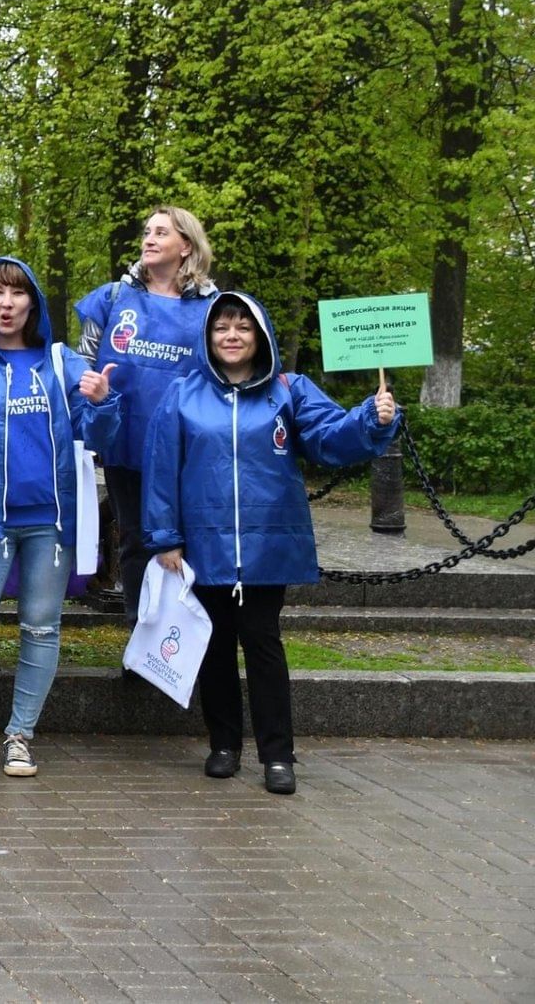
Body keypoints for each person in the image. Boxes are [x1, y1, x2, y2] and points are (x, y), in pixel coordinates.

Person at [143, 292, 398, 795]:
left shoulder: (289, 391)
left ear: (259, 335)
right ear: (208, 337)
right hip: (203, 546)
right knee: (213, 646)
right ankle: (223, 746)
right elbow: (160, 469)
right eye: (222, 328)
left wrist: (373, 417)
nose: (231, 336)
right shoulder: (182, 393)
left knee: (263, 644)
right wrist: (165, 537)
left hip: (267, 548)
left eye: (242, 327)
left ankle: (278, 756)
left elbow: (330, 437)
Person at [0, 257, 120, 778]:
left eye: (16, 294)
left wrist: (102, 403)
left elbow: (99, 436)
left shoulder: (61, 362)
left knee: (40, 628)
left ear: (33, 303)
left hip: (49, 522)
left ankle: (20, 735)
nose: (5, 304)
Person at [75, 206, 218, 622]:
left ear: (186, 245)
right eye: (147, 232)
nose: (149, 239)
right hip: (125, 444)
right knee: (135, 540)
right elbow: (83, 362)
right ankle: (143, 635)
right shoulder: (114, 297)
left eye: (161, 232)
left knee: (188, 540)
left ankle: (188, 633)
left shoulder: (210, 308)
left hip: (187, 449)